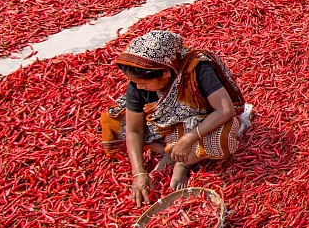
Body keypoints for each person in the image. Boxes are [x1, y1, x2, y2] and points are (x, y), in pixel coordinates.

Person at [99, 30, 250, 206]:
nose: (138, 86)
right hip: (166, 125)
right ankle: (172, 150)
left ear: (165, 73)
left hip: (202, 120)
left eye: (144, 82)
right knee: (114, 125)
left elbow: (225, 110)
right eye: (135, 82)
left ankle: (184, 162)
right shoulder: (136, 86)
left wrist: (189, 138)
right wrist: (139, 172)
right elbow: (134, 129)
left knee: (223, 138)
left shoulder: (197, 69)